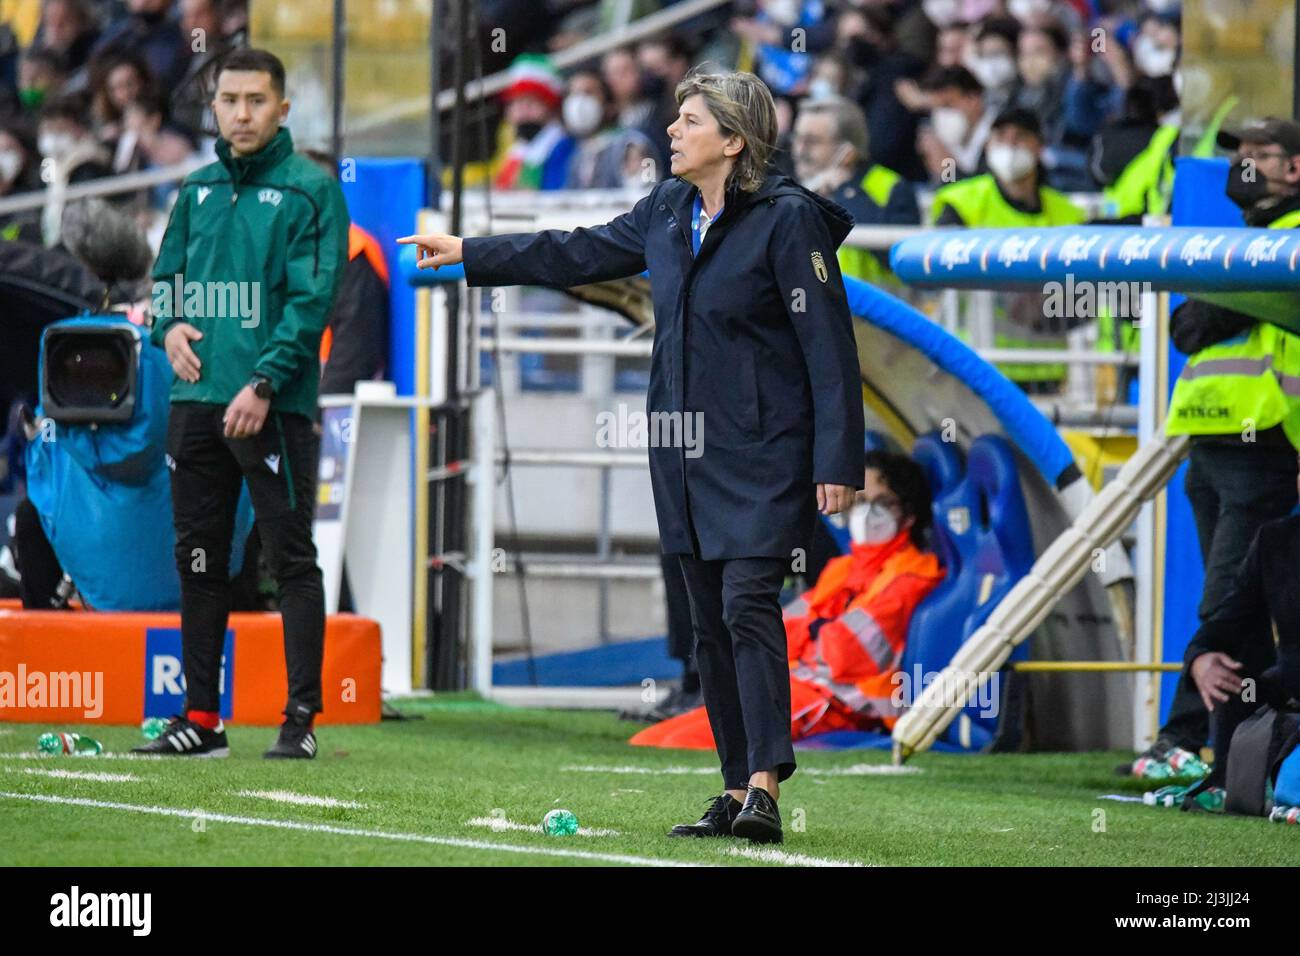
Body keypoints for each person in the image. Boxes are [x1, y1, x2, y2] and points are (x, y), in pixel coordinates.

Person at [399, 68, 864, 844]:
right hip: (682, 454)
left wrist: (837, 461)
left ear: (733, 140)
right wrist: (471, 253)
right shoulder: (669, 208)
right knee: (708, 619)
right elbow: (574, 253)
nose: (672, 132)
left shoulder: (788, 222)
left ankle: (763, 787)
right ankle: (730, 785)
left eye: (688, 121)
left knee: (750, 603)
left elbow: (830, 349)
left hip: (763, 452)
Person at [133, 48, 349, 759]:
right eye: (230, 100)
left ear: (283, 109)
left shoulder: (312, 191)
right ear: (215, 107)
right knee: (197, 560)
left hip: (273, 406)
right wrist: (169, 330)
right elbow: (165, 279)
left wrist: (263, 383)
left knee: (289, 560)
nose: (243, 113)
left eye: (257, 100)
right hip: (195, 402)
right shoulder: (193, 189)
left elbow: (311, 302)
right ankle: (201, 719)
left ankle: (300, 720)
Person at [1136, 118, 1300, 777]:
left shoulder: (1286, 241)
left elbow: (1203, 317)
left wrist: (1218, 302)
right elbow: (1187, 325)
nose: (1245, 165)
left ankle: (1183, 739)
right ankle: (1237, 747)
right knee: (1237, 603)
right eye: (1239, 154)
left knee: (1226, 601)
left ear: (1296, 169)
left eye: (1261, 155)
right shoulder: (1248, 242)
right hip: (1213, 442)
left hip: (1266, 444)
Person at [630, 451, 944, 749]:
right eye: (860, 500)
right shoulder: (844, 567)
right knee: (650, 739)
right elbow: (780, 630)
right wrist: (817, 630)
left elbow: (846, 654)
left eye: (883, 503)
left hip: (841, 703)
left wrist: (810, 631)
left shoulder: (915, 573)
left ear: (910, 513)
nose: (867, 513)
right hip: (794, 683)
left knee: (684, 743)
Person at [792, 95, 918, 286]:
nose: (800, 150)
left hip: (872, 312)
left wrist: (847, 191)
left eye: (812, 141)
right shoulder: (790, 187)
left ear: (847, 152)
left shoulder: (892, 188)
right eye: (797, 138)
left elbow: (901, 259)